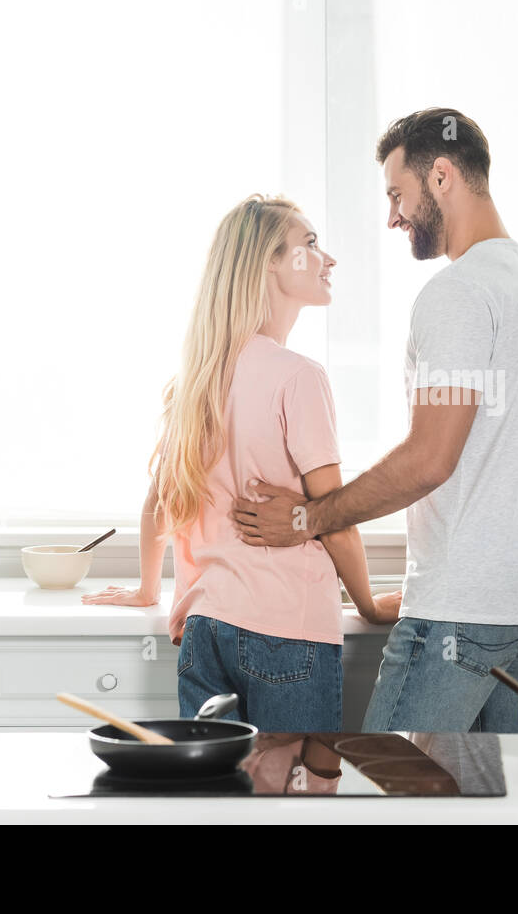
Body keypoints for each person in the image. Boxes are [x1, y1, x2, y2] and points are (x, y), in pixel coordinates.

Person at [231, 109, 518, 732]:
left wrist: (308, 518)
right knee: (495, 796)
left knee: (391, 794)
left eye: (396, 194)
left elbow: (431, 458)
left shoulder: (459, 293)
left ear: (441, 176)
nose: (392, 217)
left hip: (460, 615)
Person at [82, 194, 401, 731]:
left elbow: (159, 501)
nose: (329, 259)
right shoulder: (298, 376)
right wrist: (366, 604)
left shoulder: (198, 378)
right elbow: (334, 515)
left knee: (216, 799)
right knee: (295, 803)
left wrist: (146, 589)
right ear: (269, 263)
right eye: (310, 244)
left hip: (205, 633)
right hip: (287, 632)